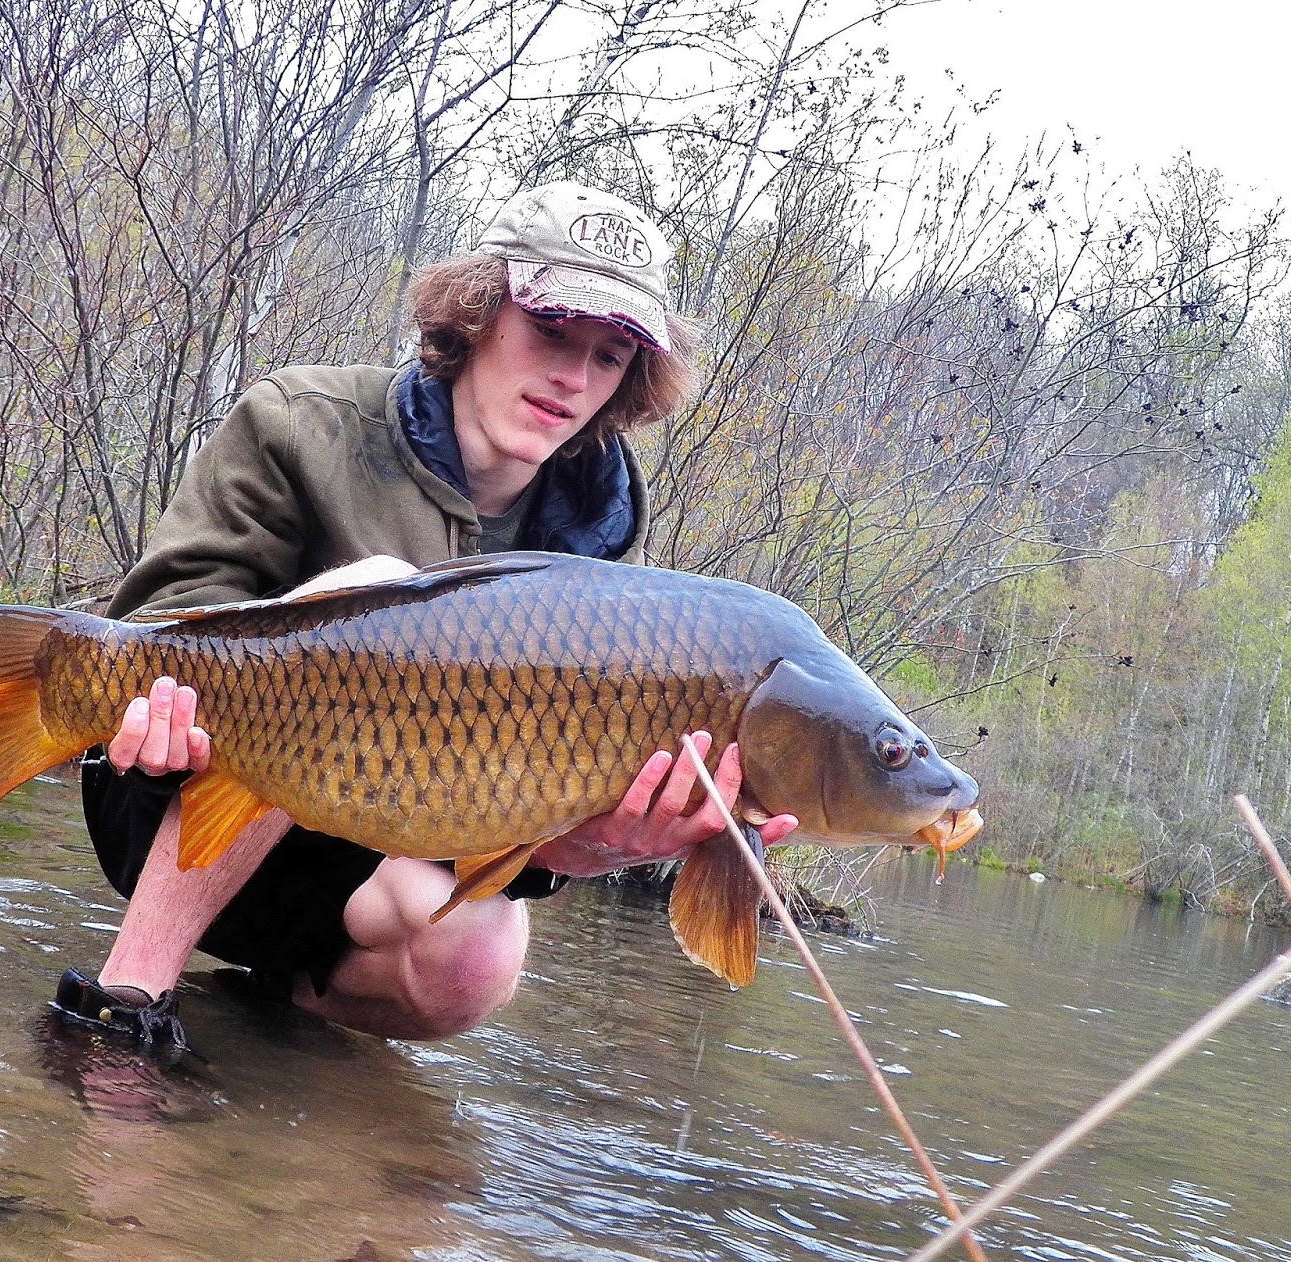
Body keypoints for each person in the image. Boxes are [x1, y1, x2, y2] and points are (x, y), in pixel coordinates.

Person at [54, 181, 797, 1048]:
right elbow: (166, 619)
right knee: (367, 598)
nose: (573, 377)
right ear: (478, 314)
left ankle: (270, 1025)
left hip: (373, 839)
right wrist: (171, 715)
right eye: (552, 331)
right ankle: (127, 1000)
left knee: (480, 954)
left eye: (610, 356)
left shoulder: (597, 539)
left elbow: (515, 818)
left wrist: (589, 844)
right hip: (169, 794)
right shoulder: (301, 423)